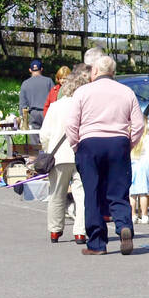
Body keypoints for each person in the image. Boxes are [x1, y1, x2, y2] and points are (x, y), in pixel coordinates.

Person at [63, 55, 146, 255]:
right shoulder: (126, 92)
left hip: (89, 143)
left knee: (92, 194)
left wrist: (76, 146)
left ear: (94, 72)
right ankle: (124, 225)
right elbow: (139, 125)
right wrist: (128, 144)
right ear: (113, 73)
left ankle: (97, 243)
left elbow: (71, 124)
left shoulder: (83, 92)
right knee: (118, 192)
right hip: (118, 143)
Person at [38, 65, 90, 244]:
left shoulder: (55, 106)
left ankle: (55, 230)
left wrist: (47, 148)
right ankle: (80, 231)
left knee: (56, 193)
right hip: (80, 154)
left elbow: (44, 134)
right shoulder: (85, 107)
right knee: (81, 194)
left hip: (58, 156)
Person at [19, 59, 53, 131]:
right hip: (47, 113)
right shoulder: (48, 81)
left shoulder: (25, 84)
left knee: (34, 139)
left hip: (33, 114)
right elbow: (54, 98)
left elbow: (23, 104)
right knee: (48, 138)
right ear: (41, 69)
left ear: (30, 70)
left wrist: (23, 119)